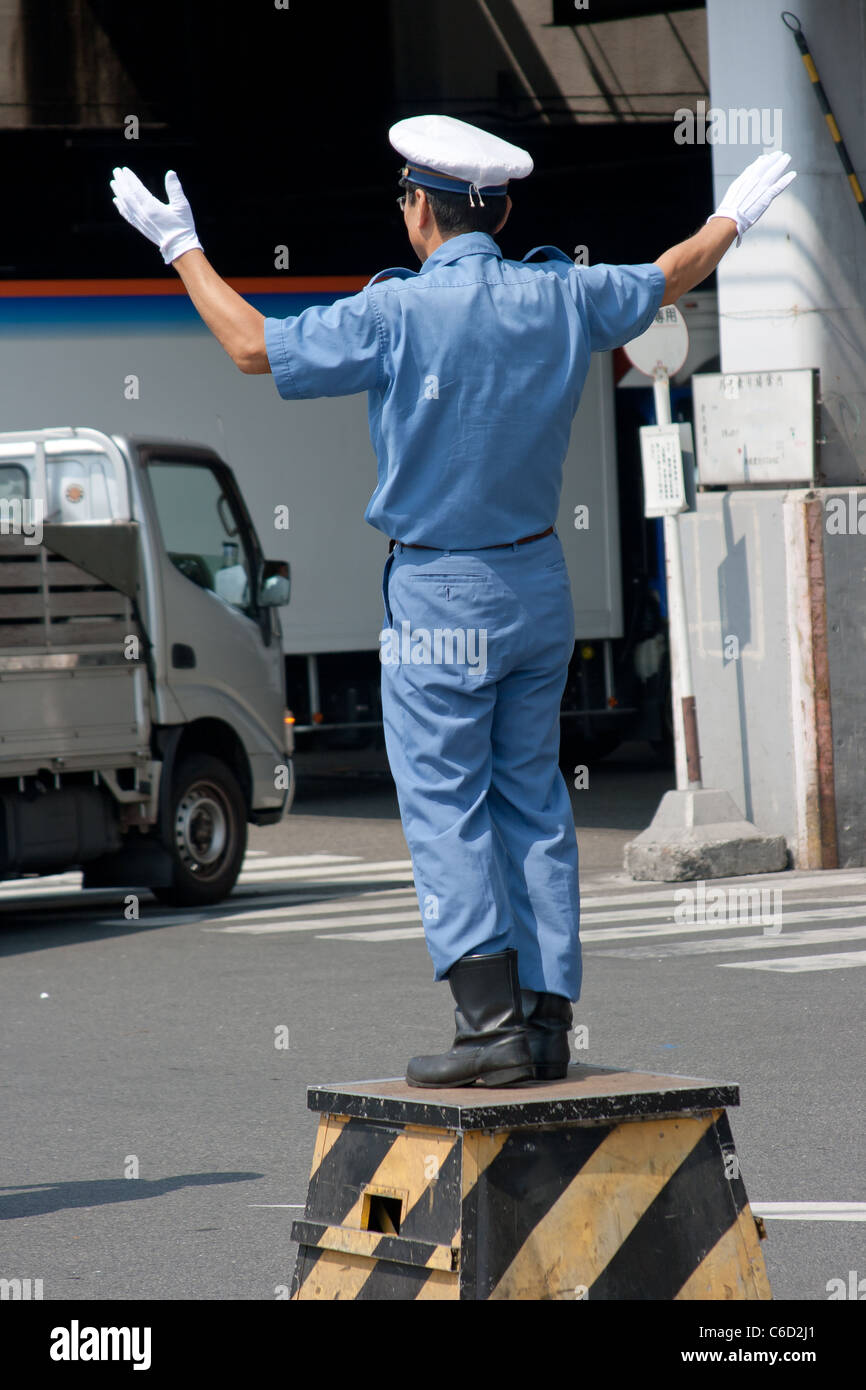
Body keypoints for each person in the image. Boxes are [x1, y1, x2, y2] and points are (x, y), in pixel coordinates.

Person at [110, 121, 795, 1089]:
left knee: (445, 804)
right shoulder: (558, 294)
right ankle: (547, 1019)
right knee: (532, 797)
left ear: (419, 209)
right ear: (504, 211)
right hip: (535, 585)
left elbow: (251, 346)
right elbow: (664, 275)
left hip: (438, 588)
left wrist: (179, 244)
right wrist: (732, 215)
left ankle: (488, 1026)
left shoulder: (393, 316)